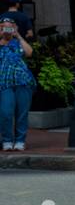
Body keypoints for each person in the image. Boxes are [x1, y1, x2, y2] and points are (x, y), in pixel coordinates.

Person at [0, 18, 36, 152]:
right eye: (4, 27)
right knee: (5, 112)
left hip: (23, 81)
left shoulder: (18, 42)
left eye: (10, 27)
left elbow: (29, 52)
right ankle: (7, 140)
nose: (7, 30)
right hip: (4, 83)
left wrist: (18, 35)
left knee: (22, 113)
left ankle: (20, 140)